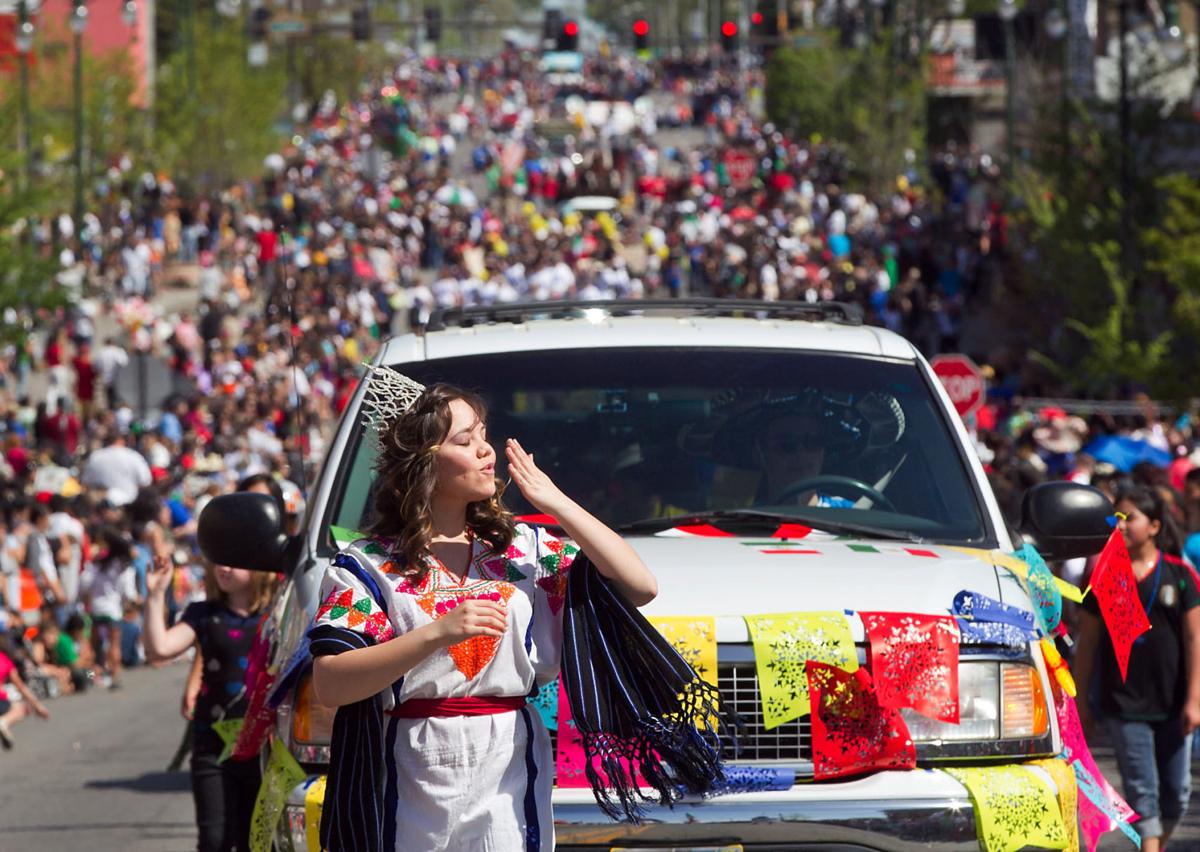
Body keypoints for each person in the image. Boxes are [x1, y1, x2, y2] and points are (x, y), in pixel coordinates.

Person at [309, 383, 657, 851]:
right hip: (412, 761)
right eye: (465, 440)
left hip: (508, 756)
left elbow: (640, 586)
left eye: (484, 435)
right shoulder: (368, 566)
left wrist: (556, 503)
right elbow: (330, 683)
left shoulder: (524, 552)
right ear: (424, 462)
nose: (485, 450)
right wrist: (437, 633)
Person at [1075, 485, 1200, 852]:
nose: (1122, 526)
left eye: (1130, 518)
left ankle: (1154, 841)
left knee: (1176, 794)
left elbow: (1195, 639)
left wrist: (1194, 698)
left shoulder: (1180, 575)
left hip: (1174, 703)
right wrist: (1082, 701)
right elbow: (1089, 645)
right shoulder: (1105, 576)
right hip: (1123, 702)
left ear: (1156, 526)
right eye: (1117, 518)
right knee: (1142, 786)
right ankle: (1149, 843)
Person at [144, 555, 276, 852]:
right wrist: (154, 596)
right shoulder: (203, 613)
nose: (224, 568)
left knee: (254, 842)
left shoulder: (278, 614)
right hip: (211, 744)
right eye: (219, 560)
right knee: (214, 840)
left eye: (234, 560)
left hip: (262, 747)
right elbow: (159, 650)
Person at [0, 634, 50, 748]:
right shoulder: (5, 660)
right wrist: (37, 706)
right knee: (23, 708)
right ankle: (4, 722)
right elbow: (21, 687)